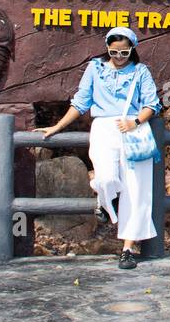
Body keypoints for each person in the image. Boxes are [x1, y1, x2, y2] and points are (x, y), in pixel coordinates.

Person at [36, 27, 161, 269]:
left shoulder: (140, 72)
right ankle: (105, 201)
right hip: (103, 127)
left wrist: (134, 122)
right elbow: (81, 102)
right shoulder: (95, 68)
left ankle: (128, 249)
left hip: (132, 130)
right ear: (107, 48)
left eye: (124, 52)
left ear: (132, 49)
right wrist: (57, 126)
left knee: (137, 190)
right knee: (105, 178)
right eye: (114, 52)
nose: (119, 57)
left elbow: (152, 104)